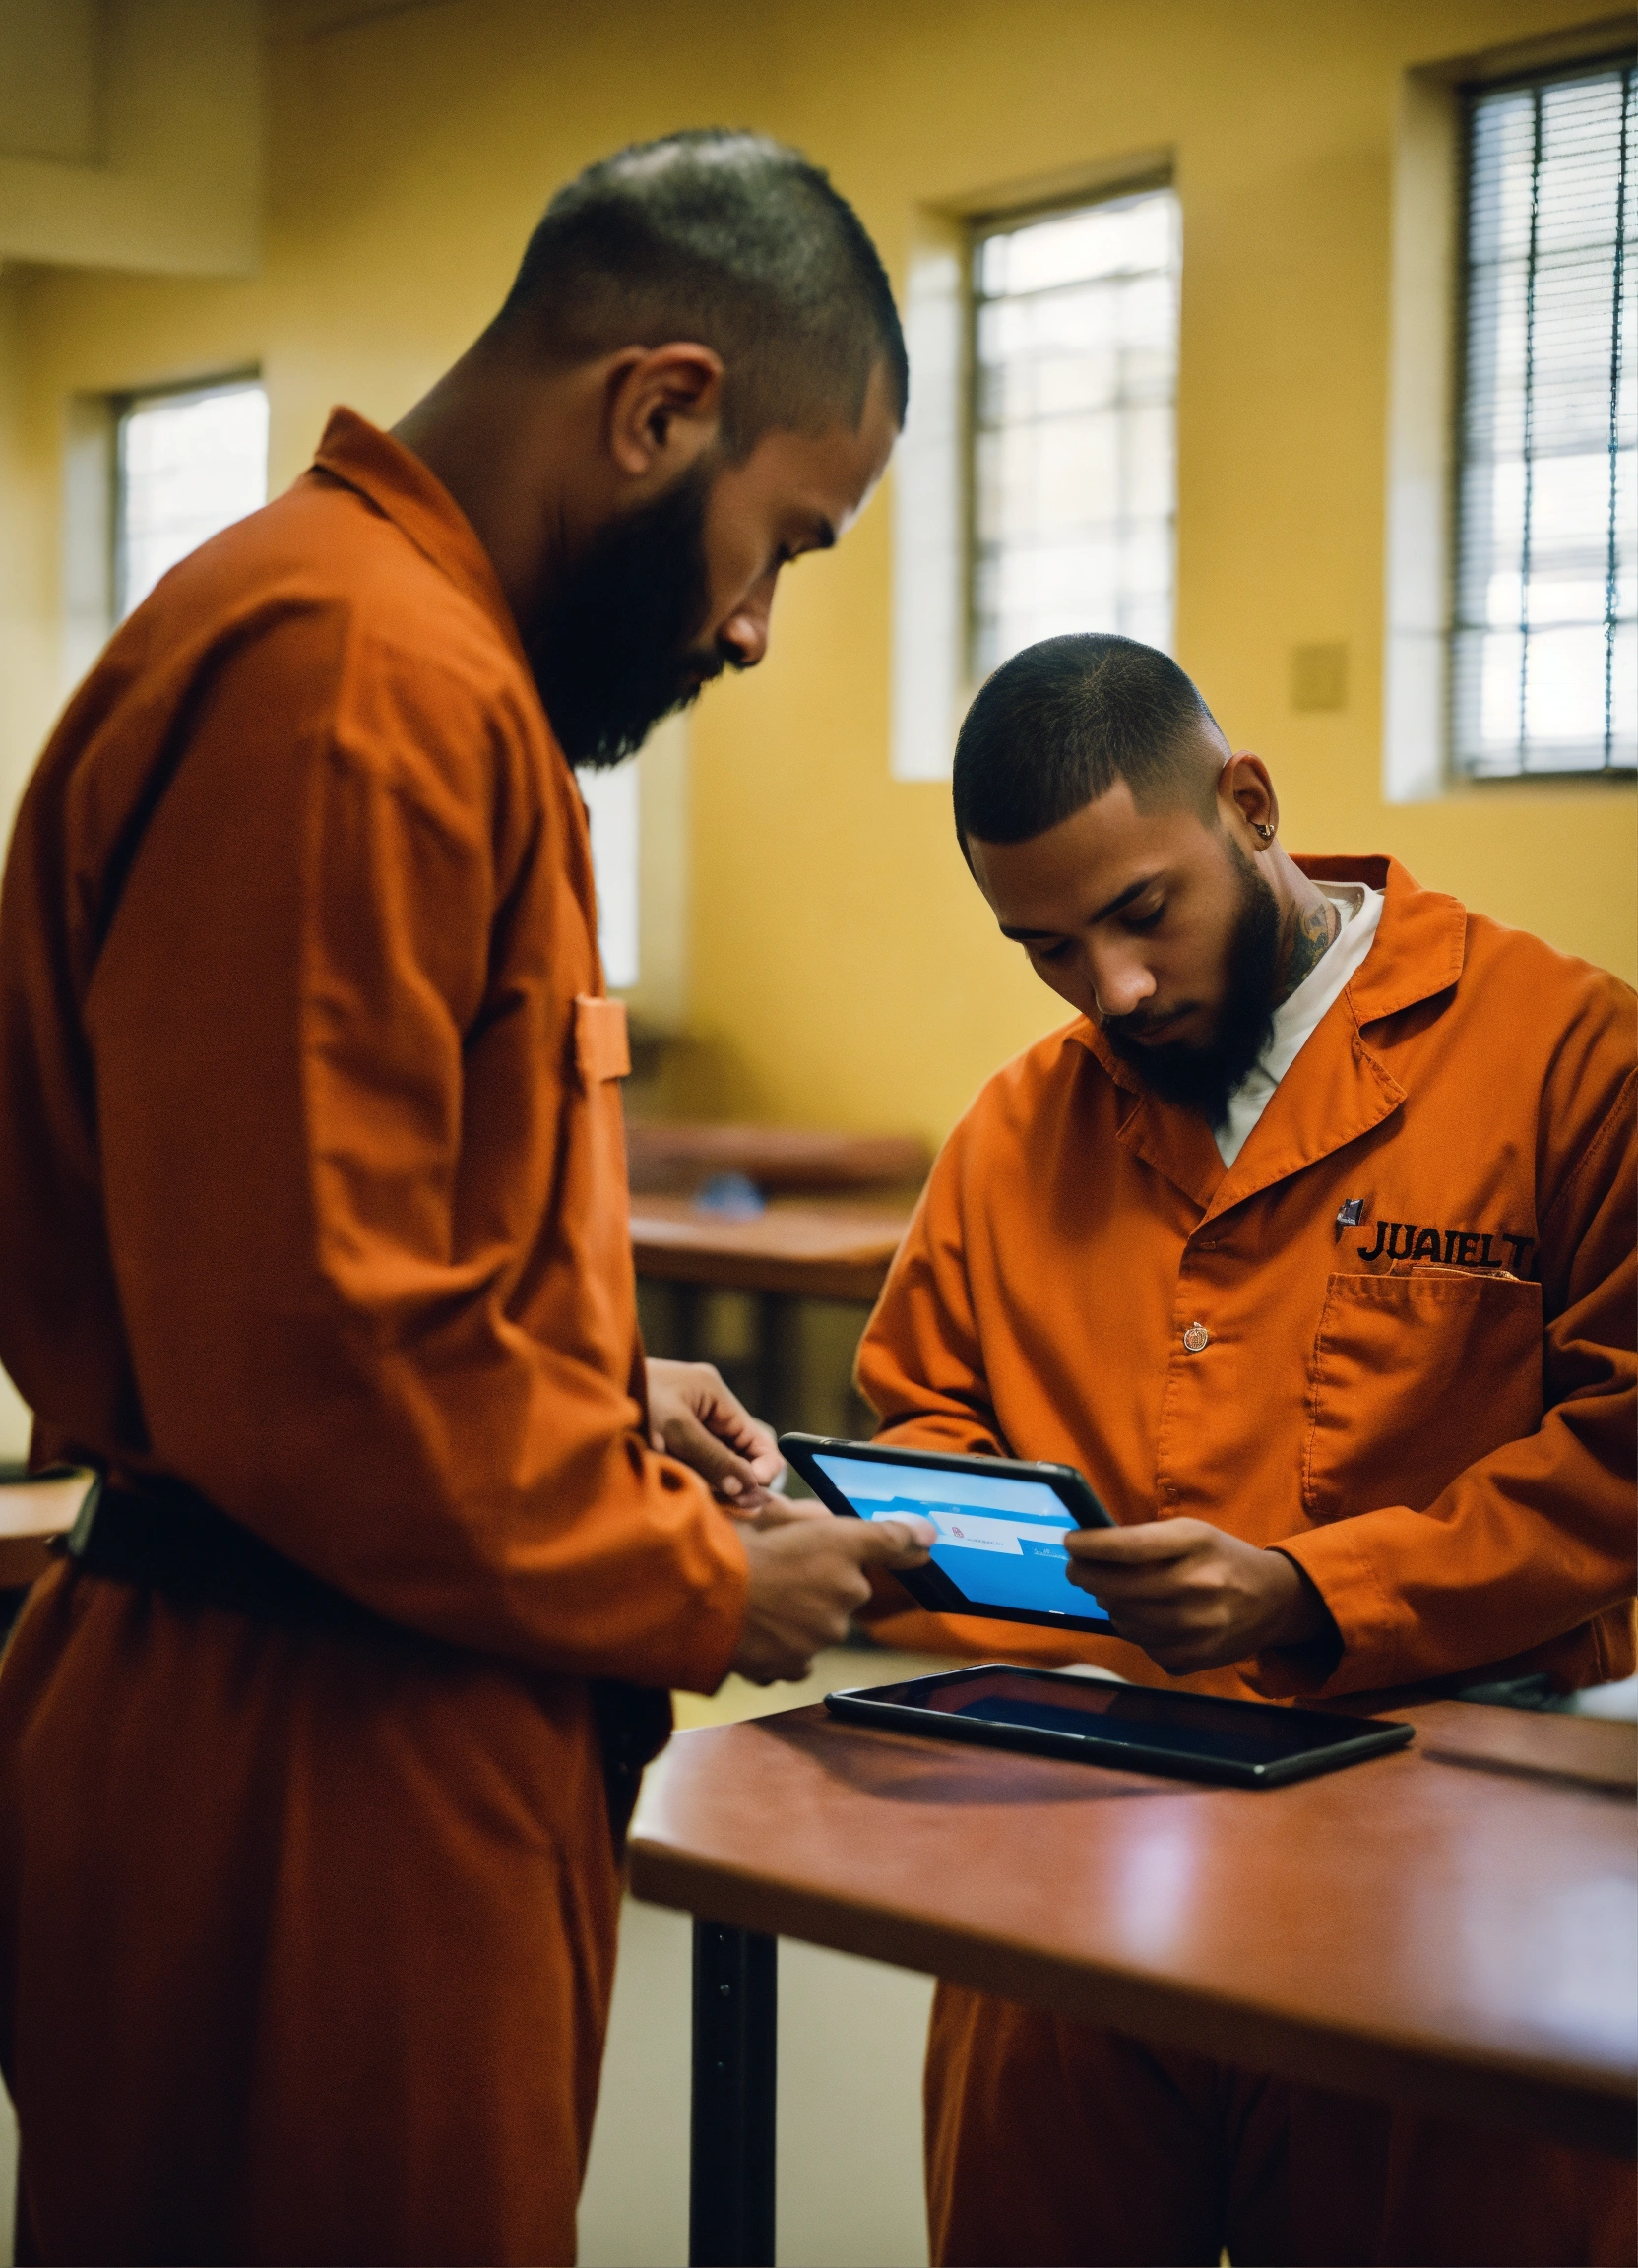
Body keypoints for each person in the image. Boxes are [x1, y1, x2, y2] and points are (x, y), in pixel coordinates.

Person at [0, 130, 933, 2266]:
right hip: (304, 1759)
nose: (760, 629)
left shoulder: (420, 665)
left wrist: (604, 1387)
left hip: (382, 1691)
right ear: (657, 409)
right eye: (778, 542)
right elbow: (308, 1360)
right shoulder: (359, 680)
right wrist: (703, 1582)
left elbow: (380, 1234)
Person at [856, 633, 1637, 2267]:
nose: (1115, 994)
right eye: (1048, 950)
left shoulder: (1570, 1062)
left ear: (1252, 805)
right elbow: (921, 1418)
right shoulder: (1014, 1135)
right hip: (1069, 1880)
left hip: (1449, 1898)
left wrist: (1307, 1591)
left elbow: (1621, 1456)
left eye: (1145, 915)